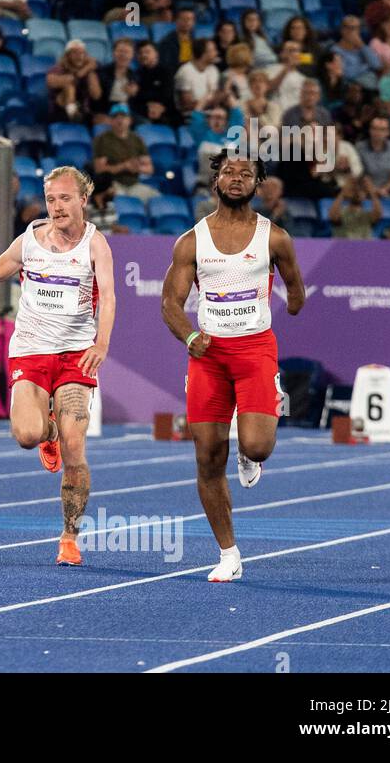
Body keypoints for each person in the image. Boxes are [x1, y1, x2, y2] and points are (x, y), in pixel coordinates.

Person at [0, 166, 116, 568]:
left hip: (76, 354)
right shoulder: (29, 240)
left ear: (82, 201)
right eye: (51, 199)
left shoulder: (96, 245)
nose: (57, 206)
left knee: (76, 446)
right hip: (31, 351)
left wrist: (102, 343)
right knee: (26, 434)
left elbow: (107, 297)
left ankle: (69, 538)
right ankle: (48, 431)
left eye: (65, 198)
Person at [160, 150, 307, 582]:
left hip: (255, 349)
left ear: (258, 184)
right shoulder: (191, 241)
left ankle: (250, 443)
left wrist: (292, 300)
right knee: (207, 458)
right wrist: (190, 337)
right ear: (216, 182)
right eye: (229, 172)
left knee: (258, 447)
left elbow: (296, 292)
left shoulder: (275, 238)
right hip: (208, 355)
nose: (237, 177)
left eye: (247, 173)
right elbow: (170, 302)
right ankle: (228, 554)